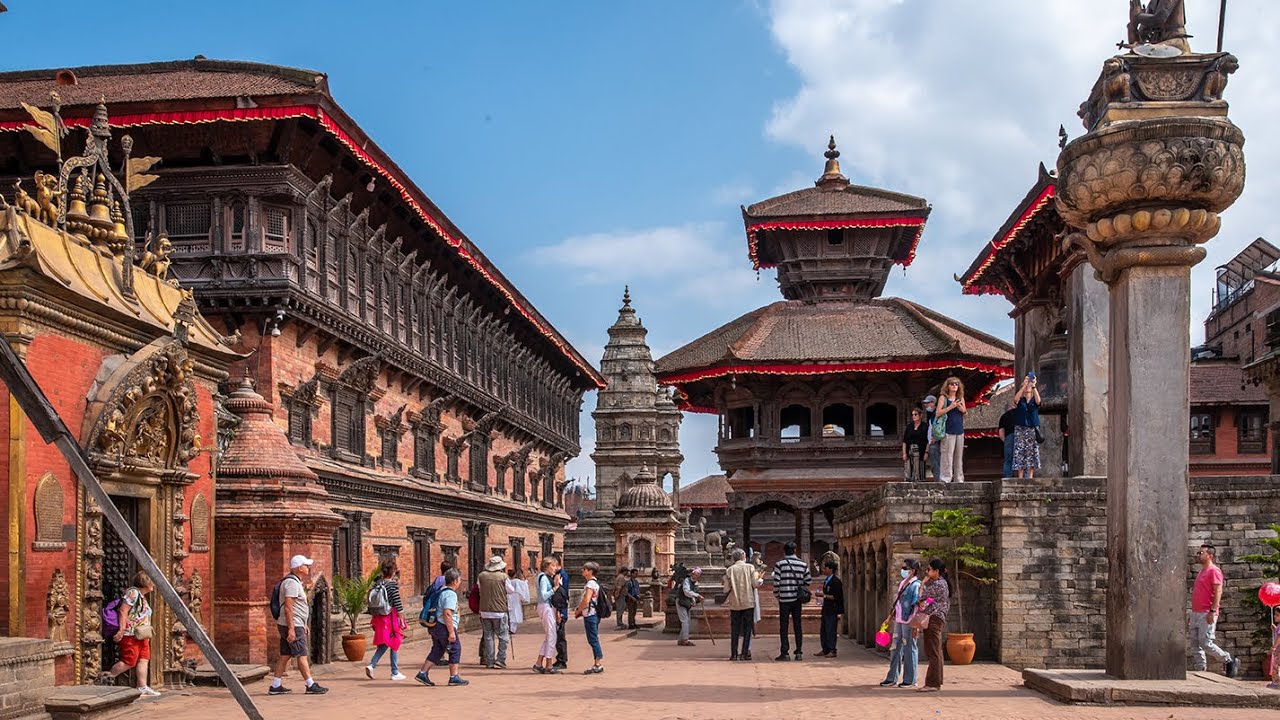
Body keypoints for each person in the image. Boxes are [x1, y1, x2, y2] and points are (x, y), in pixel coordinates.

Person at [270, 555, 328, 695]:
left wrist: (303, 624)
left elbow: (296, 607)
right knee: (302, 654)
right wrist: (292, 628)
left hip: (294, 623)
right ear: (298, 568)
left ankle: (275, 685)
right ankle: (310, 684)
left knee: (286, 654)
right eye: (305, 565)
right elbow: (289, 607)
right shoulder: (291, 583)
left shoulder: (295, 582)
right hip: (292, 624)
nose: (308, 567)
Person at [100, 571, 160, 696]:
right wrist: (121, 630)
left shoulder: (142, 597)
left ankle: (142, 686)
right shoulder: (133, 593)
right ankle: (108, 677)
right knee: (129, 661)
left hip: (142, 634)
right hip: (130, 633)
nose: (154, 584)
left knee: (144, 659)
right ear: (145, 582)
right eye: (152, 581)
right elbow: (123, 611)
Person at [1190, 544, 1239, 677]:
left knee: (1206, 643)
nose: (1198, 554)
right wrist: (1192, 613)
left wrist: (1212, 611)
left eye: (1201, 552)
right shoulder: (1201, 572)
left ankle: (1228, 660)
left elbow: (1218, 591)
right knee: (1194, 644)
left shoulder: (1214, 571)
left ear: (1209, 556)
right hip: (1196, 612)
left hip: (1207, 612)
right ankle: (1201, 670)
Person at [416, 568, 469, 686]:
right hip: (443, 625)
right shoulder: (450, 594)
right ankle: (453, 676)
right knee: (455, 648)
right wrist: (451, 632)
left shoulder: (440, 591)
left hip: (435, 625)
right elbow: (447, 613)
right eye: (459, 579)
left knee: (438, 649)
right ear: (455, 581)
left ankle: (423, 673)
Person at [881, 558, 922, 688]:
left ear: (913, 570)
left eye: (905, 568)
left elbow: (918, 606)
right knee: (895, 648)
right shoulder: (903, 583)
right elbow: (898, 603)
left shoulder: (916, 585)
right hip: (899, 618)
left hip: (909, 620)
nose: (903, 570)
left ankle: (910, 679)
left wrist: (916, 626)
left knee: (909, 648)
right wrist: (890, 617)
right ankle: (892, 677)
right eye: (903, 568)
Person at [366, 556, 407, 681]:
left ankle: (372, 665)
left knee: (385, 643)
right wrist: (402, 619)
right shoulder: (392, 585)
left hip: (379, 617)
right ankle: (394, 672)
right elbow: (397, 603)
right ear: (393, 571)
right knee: (395, 642)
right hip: (391, 617)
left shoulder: (377, 583)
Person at [772, 541, 812, 661]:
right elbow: (808, 581)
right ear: (795, 550)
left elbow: (776, 582)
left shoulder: (780, 564)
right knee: (797, 625)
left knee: (783, 626)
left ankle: (785, 652)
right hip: (797, 600)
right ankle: (798, 651)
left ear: (784, 551)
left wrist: (777, 595)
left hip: (784, 599)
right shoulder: (803, 564)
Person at [916, 558, 951, 692]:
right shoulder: (940, 584)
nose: (927, 572)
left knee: (933, 651)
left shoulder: (938, 585)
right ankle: (935, 681)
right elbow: (928, 601)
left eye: (929, 569)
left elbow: (920, 597)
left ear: (936, 571)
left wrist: (923, 583)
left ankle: (933, 683)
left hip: (934, 619)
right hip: (935, 618)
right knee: (935, 650)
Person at [723, 548, 762, 661]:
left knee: (734, 629)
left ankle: (734, 654)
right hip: (748, 602)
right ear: (742, 556)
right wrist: (760, 580)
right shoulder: (750, 567)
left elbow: (726, 589)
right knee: (747, 629)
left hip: (734, 603)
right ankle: (745, 653)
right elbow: (755, 584)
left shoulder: (729, 570)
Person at [477, 556, 511, 669]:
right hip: (499, 610)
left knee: (488, 636)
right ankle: (500, 659)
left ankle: (489, 660)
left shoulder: (481, 576)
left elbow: (479, 588)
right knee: (503, 636)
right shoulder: (503, 577)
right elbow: (511, 590)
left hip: (485, 610)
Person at [573, 561, 605, 674]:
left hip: (591, 615)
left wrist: (578, 609)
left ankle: (598, 663)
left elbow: (586, 601)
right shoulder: (594, 583)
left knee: (593, 639)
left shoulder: (590, 584)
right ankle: (597, 662)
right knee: (593, 638)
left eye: (584, 569)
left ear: (590, 571)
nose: (582, 571)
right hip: (592, 614)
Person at [532, 558, 561, 674]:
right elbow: (544, 595)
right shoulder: (543, 578)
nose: (555, 568)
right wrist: (555, 588)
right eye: (553, 566)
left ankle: (539, 663)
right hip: (546, 606)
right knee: (552, 636)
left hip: (545, 607)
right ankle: (549, 664)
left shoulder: (541, 577)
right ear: (547, 566)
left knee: (549, 636)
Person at [937, 377, 967, 483]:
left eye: (956, 384)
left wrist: (961, 408)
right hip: (948, 430)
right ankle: (946, 478)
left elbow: (965, 413)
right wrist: (951, 406)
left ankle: (959, 479)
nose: (955, 386)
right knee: (947, 456)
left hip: (959, 430)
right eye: (952, 384)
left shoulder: (960, 398)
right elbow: (938, 413)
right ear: (948, 386)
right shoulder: (943, 398)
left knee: (958, 457)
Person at [1012, 374, 1042, 479]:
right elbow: (1015, 399)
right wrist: (1024, 386)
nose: (1028, 387)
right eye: (1027, 385)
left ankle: (1030, 476)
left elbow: (1039, 401)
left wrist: (1033, 385)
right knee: (1020, 451)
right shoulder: (1021, 401)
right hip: (1020, 427)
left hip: (1032, 428)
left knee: (1031, 451)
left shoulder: (1034, 400)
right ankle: (1020, 476)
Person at [815, 559, 844, 658]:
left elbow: (836, 597)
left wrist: (824, 595)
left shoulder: (836, 581)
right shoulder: (827, 580)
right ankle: (825, 648)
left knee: (831, 629)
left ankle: (832, 649)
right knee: (824, 630)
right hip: (826, 608)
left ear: (831, 569)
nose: (824, 570)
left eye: (825, 568)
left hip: (832, 609)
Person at [676, 567, 704, 646]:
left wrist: (694, 601)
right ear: (692, 574)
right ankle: (685, 639)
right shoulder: (687, 581)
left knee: (686, 621)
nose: (696, 576)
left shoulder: (695, 583)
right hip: (681, 601)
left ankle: (681, 639)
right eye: (695, 574)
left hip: (687, 602)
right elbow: (686, 592)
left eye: (698, 575)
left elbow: (693, 593)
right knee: (685, 621)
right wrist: (698, 596)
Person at [902, 407, 929, 482]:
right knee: (909, 470)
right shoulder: (909, 426)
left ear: (920, 415)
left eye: (915, 414)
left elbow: (927, 441)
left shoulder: (925, 426)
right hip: (909, 450)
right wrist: (904, 453)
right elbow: (905, 441)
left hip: (920, 450)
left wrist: (926, 452)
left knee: (920, 470)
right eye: (912, 414)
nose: (913, 416)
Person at [553, 553, 570, 669]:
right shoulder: (558, 575)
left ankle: (562, 659)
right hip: (558, 608)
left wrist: (559, 611)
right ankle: (560, 657)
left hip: (560, 608)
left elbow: (560, 595)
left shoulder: (561, 576)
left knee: (560, 635)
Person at [505, 566, 528, 639]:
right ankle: (512, 629)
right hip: (515, 598)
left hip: (508, 597)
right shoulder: (517, 581)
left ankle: (509, 627)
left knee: (510, 613)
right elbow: (524, 584)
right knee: (515, 613)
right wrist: (525, 581)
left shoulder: (507, 581)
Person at [923, 395, 941, 481]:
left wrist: (935, 437)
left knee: (936, 463)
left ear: (933, 403)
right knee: (934, 463)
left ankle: (938, 481)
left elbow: (939, 426)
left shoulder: (937, 413)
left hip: (936, 442)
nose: (925, 405)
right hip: (932, 442)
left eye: (927, 403)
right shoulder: (932, 414)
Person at [997, 401, 1018, 478]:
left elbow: (1001, 432)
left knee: (1008, 459)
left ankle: (1008, 477)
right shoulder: (1018, 413)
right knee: (1022, 458)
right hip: (1020, 435)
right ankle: (1024, 476)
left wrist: (1005, 441)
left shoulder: (1003, 416)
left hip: (1009, 436)